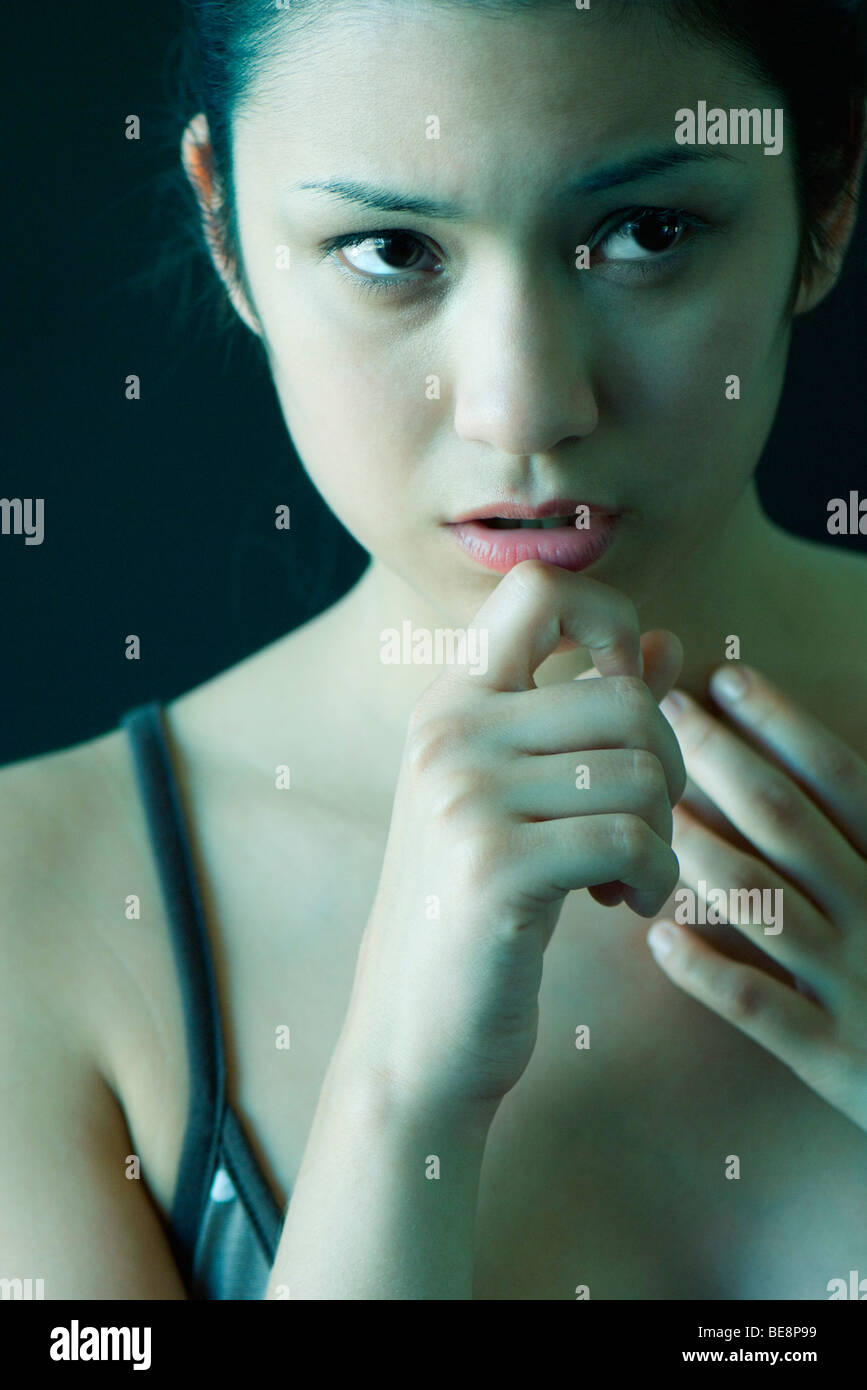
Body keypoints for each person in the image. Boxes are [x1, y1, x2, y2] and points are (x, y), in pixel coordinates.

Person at [2, 0, 867, 1301]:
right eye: (391, 247)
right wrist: (398, 1096)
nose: (525, 406)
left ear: (829, 189)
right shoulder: (43, 908)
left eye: (645, 233)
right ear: (228, 225)